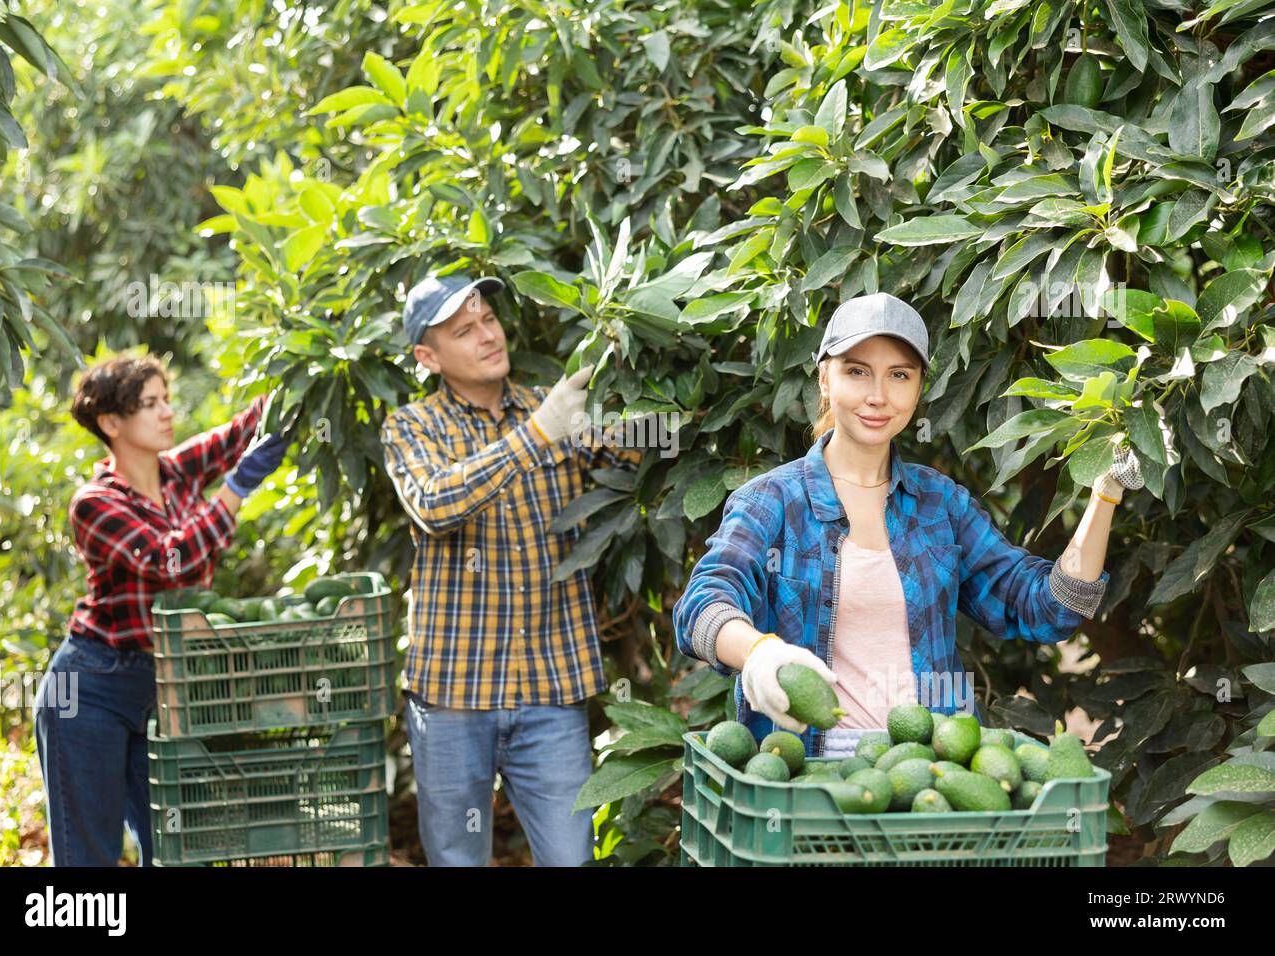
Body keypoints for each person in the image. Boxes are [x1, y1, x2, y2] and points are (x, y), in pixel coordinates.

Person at [672, 293, 1142, 758]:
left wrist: (1106, 491)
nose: (878, 396)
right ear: (824, 379)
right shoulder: (772, 501)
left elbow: (1046, 607)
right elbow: (703, 605)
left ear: (919, 388)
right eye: (857, 371)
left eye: (899, 375)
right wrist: (758, 652)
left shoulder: (940, 505)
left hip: (932, 775)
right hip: (805, 777)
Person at [380, 274, 642, 866]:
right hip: (453, 693)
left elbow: (636, 457)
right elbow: (434, 504)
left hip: (550, 687)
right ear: (428, 356)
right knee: (456, 858)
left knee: (571, 857)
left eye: (488, 320)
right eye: (463, 330)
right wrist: (539, 434)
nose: (487, 335)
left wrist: (630, 358)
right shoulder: (414, 427)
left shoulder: (554, 408)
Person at [33, 355, 292, 865]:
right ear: (111, 423)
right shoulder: (95, 502)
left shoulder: (176, 473)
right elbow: (168, 562)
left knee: (172, 846)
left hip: (163, 682)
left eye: (166, 399)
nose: (167, 412)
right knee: (90, 853)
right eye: (149, 404)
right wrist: (236, 491)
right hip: (91, 686)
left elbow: (243, 431)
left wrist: (296, 378)